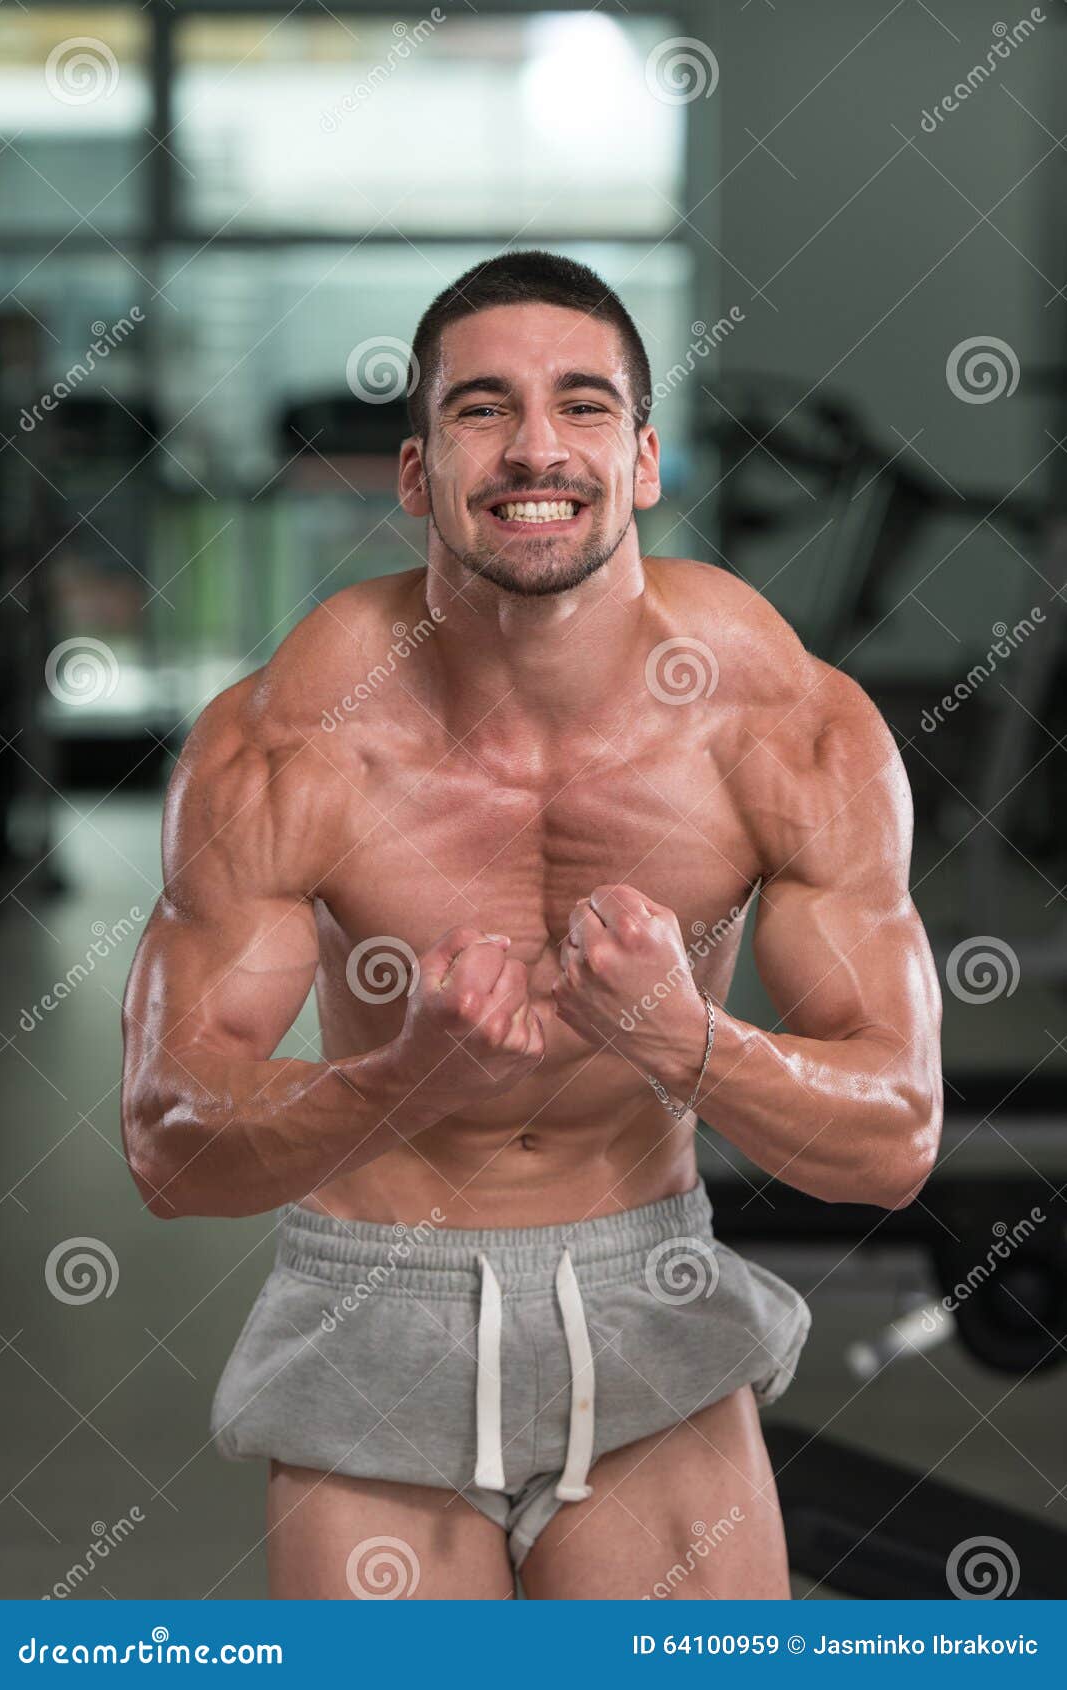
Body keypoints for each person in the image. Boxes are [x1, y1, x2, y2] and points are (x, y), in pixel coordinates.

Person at [120, 250, 943, 1600]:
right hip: (377, 1308)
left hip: (648, 1301)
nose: (534, 447)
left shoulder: (784, 727)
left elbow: (896, 1136)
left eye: (582, 404)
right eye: (480, 408)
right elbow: (169, 1141)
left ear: (645, 459)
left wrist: (688, 1039)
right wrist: (403, 1081)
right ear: (414, 472)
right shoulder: (290, 740)